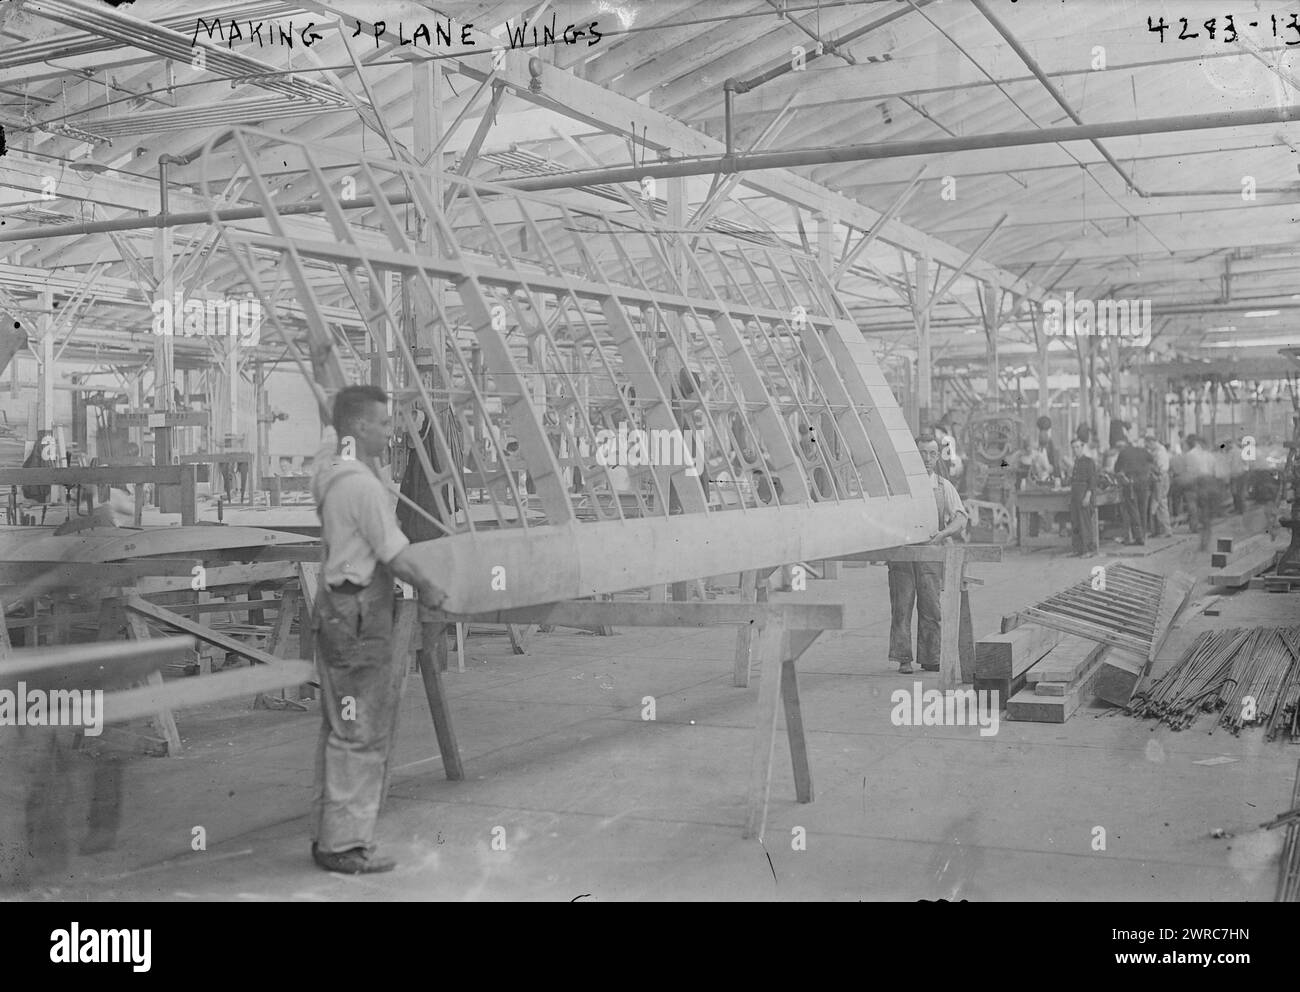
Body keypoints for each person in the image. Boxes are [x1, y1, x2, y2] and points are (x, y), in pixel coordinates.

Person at [309, 385, 449, 875]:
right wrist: (432, 588)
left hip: (335, 609)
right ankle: (344, 845)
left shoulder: (328, 471)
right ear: (361, 427)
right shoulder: (363, 488)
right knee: (360, 731)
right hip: (360, 614)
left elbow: (330, 438)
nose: (392, 433)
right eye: (386, 424)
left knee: (341, 725)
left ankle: (330, 835)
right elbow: (396, 556)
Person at [887, 435, 968, 675]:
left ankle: (931, 657)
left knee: (931, 607)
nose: (927, 459)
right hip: (903, 556)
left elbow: (961, 518)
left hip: (932, 554)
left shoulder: (943, 486)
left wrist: (943, 534)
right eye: (922, 453)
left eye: (932, 454)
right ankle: (903, 658)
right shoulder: (900, 487)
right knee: (901, 607)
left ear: (938, 456)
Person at [1113, 435, 1152, 546]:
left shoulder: (1123, 453)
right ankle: (1143, 536)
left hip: (1131, 484)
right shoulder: (1143, 450)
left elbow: (1116, 469)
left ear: (1123, 444)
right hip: (1144, 483)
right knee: (1142, 510)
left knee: (1133, 510)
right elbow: (1152, 460)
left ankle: (1138, 537)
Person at [1069, 436, 1098, 558]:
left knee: (1084, 523)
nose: (1075, 450)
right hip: (1075, 494)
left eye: (1077, 447)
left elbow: (1092, 481)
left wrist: (1088, 496)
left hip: (1084, 494)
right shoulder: (1076, 461)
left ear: (1082, 447)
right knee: (1076, 522)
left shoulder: (1088, 461)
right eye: (1073, 448)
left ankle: (1088, 550)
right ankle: (1078, 549)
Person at [1144, 432, 1172, 538]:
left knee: (1160, 504)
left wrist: (1150, 468)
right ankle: (1158, 530)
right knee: (1156, 504)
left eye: (1148, 444)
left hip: (1160, 478)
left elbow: (1159, 469)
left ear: (1152, 442)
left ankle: (1166, 530)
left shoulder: (1160, 452)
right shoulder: (1158, 450)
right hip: (1160, 478)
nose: (1147, 447)